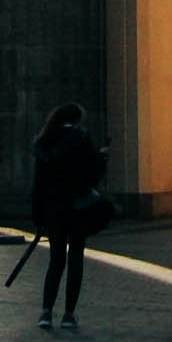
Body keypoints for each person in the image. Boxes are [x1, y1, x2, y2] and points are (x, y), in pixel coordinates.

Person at [29, 101, 106, 330]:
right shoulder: (81, 139)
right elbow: (90, 175)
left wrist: (38, 215)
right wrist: (101, 159)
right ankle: (69, 314)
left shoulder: (44, 142)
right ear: (77, 119)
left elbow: (38, 184)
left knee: (56, 260)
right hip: (77, 206)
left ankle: (46, 311)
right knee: (75, 260)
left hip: (54, 209)